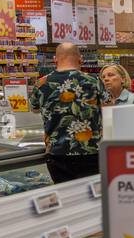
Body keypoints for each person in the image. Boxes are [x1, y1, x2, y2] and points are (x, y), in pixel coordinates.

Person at [30, 42, 105, 183]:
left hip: (57, 153)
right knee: (92, 197)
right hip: (91, 151)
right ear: (80, 59)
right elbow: (109, 108)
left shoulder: (41, 83)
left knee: (66, 198)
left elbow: (34, 108)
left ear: (55, 59)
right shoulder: (94, 81)